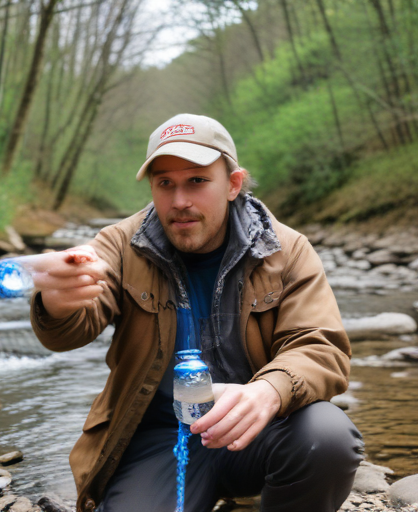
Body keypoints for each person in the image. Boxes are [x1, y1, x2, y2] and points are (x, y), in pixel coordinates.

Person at [31, 113, 364, 512]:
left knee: (327, 436)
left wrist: (269, 391)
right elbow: (67, 335)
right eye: (164, 183)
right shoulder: (119, 245)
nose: (179, 201)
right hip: (160, 438)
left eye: (197, 181)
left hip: (261, 428)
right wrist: (57, 301)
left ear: (233, 184)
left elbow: (321, 346)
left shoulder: (286, 249)